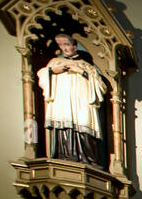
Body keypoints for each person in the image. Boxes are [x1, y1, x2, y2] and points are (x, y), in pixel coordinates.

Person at [36, 33, 109, 165]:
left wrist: (82, 72)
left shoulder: (86, 66)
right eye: (60, 45)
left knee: (83, 125)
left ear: (75, 47)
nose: (64, 48)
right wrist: (51, 71)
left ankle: (87, 159)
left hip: (81, 105)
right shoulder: (55, 62)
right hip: (62, 104)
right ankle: (62, 156)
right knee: (63, 126)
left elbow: (101, 87)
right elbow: (41, 77)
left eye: (67, 44)